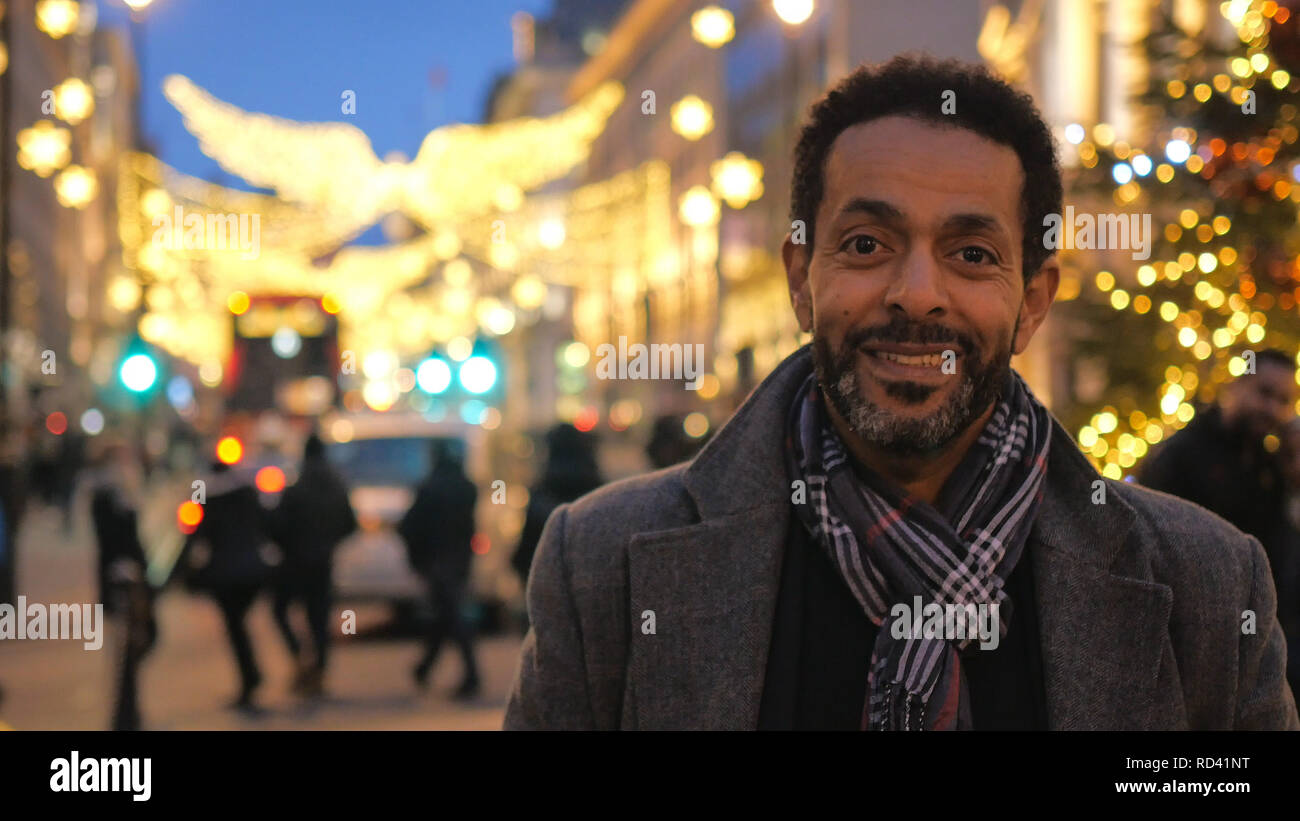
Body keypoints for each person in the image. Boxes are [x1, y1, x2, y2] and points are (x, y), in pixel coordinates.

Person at [504, 55, 1298, 731]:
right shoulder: (604, 570)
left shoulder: (1208, 586)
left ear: (1032, 301)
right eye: (865, 244)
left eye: (972, 253)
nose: (917, 294)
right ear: (801, 281)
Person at [1138, 349, 1298, 599]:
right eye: (1264, 393)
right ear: (1237, 385)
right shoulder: (1184, 453)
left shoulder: (1271, 464)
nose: (1272, 409)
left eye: (1284, 401)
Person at [179, 460, 275, 710]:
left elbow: (193, 540)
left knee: (236, 629)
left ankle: (250, 679)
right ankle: (251, 677)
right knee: (239, 627)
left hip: (225, 576)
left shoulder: (209, 501)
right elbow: (269, 527)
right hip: (253, 572)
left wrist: (181, 574)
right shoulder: (248, 495)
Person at [268, 434, 357, 697]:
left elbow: (277, 526)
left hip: (294, 563)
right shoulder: (336, 488)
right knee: (319, 619)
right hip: (323, 562)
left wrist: (287, 546)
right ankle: (318, 671)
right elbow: (349, 524)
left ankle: (300, 658)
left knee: (281, 611)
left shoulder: (297, 488)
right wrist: (329, 543)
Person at [398, 439, 481, 698]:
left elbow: (409, 527)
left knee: (450, 616)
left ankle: (468, 675)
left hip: (438, 561)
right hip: (458, 560)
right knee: (446, 615)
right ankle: (427, 668)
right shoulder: (465, 488)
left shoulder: (430, 488)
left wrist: (418, 559)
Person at [87, 441, 156, 731]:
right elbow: (114, 542)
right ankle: (125, 716)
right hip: (122, 582)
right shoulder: (107, 495)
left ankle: (129, 712)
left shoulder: (121, 493)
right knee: (126, 650)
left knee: (136, 645)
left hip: (130, 579)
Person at [512, 424, 603, 591]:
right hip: (594, 591)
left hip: (548, 590)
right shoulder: (602, 494)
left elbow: (524, 555)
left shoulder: (541, 494)